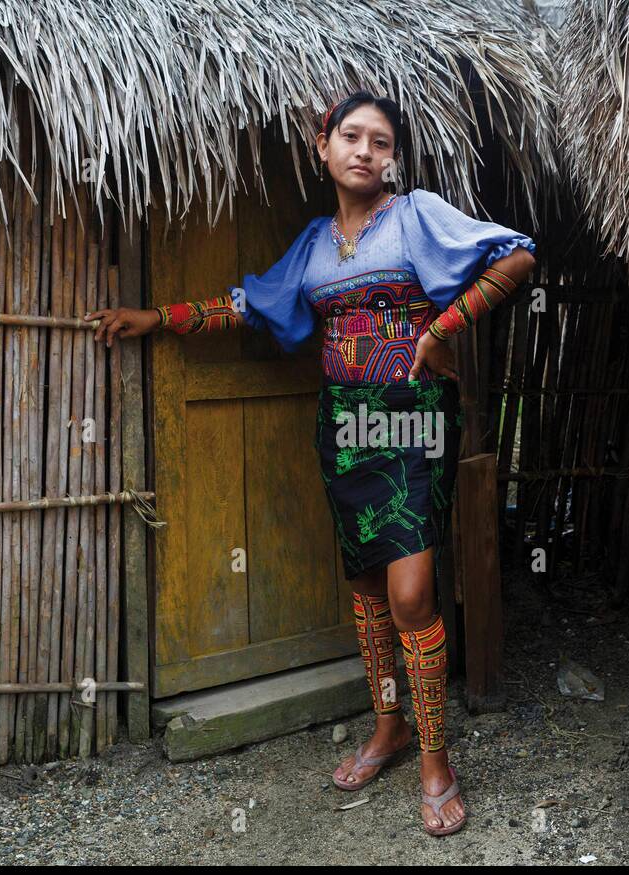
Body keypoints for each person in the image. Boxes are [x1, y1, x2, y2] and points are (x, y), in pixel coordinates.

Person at [91, 90, 536, 836]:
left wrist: (440, 331)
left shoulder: (417, 213)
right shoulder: (314, 244)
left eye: (382, 141)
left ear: (393, 157)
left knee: (412, 594)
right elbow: (250, 304)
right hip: (344, 427)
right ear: (323, 146)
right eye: (353, 137)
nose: (366, 151)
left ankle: (436, 761)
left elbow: (516, 255)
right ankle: (387, 726)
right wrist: (155, 320)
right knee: (364, 585)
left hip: (416, 421)